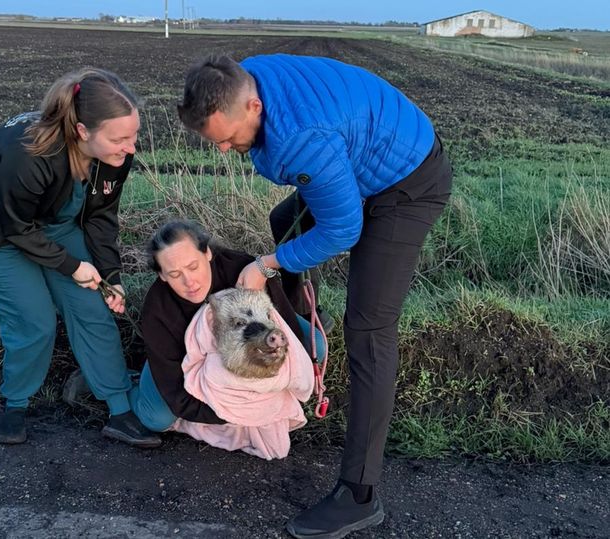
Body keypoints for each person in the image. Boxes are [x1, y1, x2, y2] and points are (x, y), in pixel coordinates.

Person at [177, 54, 453, 538]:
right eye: (212, 141)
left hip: (406, 180)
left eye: (225, 139)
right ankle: (302, 340)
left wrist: (264, 266)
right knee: (286, 224)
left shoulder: (299, 140)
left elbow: (343, 229)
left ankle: (359, 494)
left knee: (369, 330)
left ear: (254, 104)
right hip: (360, 150)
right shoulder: (239, 78)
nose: (222, 151)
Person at [0, 68, 160, 448]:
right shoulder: (29, 153)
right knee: (35, 320)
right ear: (83, 132)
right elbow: (17, 228)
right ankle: (16, 403)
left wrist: (110, 274)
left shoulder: (115, 156)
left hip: (51, 216)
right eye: (120, 138)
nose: (130, 147)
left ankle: (118, 408)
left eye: (134, 135)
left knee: (93, 306)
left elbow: (100, 216)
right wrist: (73, 266)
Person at [132, 219, 326, 434]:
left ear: (207, 253)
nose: (189, 282)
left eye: (193, 267)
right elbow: (178, 397)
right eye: (175, 274)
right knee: (156, 419)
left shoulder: (242, 268)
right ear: (162, 276)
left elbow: (284, 322)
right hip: (181, 356)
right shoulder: (157, 310)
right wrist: (235, 413)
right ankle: (134, 388)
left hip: (250, 340)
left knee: (314, 343)